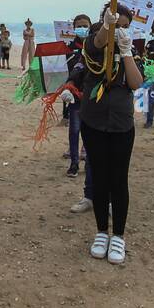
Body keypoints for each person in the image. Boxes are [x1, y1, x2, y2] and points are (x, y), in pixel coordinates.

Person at [70, 3, 143, 265]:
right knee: (99, 177)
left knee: (118, 180)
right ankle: (101, 232)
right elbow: (97, 43)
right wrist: (106, 27)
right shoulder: (93, 43)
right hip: (94, 120)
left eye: (124, 26)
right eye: (115, 24)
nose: (119, 30)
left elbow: (136, 82)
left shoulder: (131, 49)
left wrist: (126, 52)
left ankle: (119, 235)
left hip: (122, 123)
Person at [62, 13, 93, 211]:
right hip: (73, 95)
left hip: (92, 96)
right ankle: (74, 163)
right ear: (74, 28)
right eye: (79, 26)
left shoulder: (94, 46)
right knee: (74, 130)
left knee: (90, 133)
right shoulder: (68, 49)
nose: (82, 28)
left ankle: (89, 164)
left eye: (85, 25)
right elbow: (60, 69)